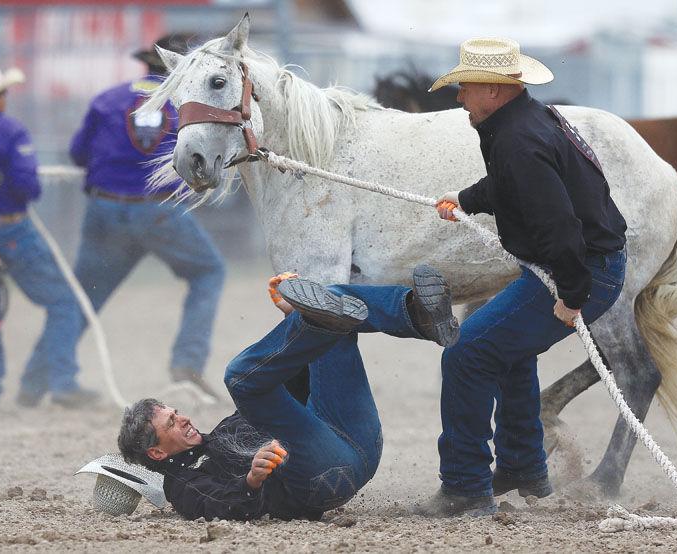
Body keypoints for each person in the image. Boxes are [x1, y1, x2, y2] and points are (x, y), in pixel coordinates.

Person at [415, 38, 628, 516]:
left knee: (467, 354)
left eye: (465, 87)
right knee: (504, 349)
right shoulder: (525, 124)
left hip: (580, 271)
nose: (458, 97)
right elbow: (516, 187)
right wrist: (466, 198)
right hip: (582, 265)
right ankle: (522, 468)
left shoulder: (517, 140)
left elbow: (559, 227)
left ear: (492, 90)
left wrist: (572, 297)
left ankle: (466, 487)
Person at [117, 265, 459, 521]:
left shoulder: (226, 431)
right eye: (172, 422)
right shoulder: (182, 485)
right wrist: (250, 480)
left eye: (176, 412)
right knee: (240, 380)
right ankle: (310, 323)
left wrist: (294, 320)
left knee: (332, 304)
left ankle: (416, 314)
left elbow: (295, 383)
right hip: (323, 478)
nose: (184, 418)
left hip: (357, 441)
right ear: (157, 453)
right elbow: (220, 507)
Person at [69, 34, 226, 400]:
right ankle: (186, 365)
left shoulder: (108, 99)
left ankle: (43, 376)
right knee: (208, 271)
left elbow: (79, 154)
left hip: (105, 207)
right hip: (159, 212)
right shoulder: (188, 105)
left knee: (83, 294)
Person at [0, 56, 98, 408]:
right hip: (10, 230)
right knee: (63, 302)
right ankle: (62, 381)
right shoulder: (9, 131)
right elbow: (27, 187)